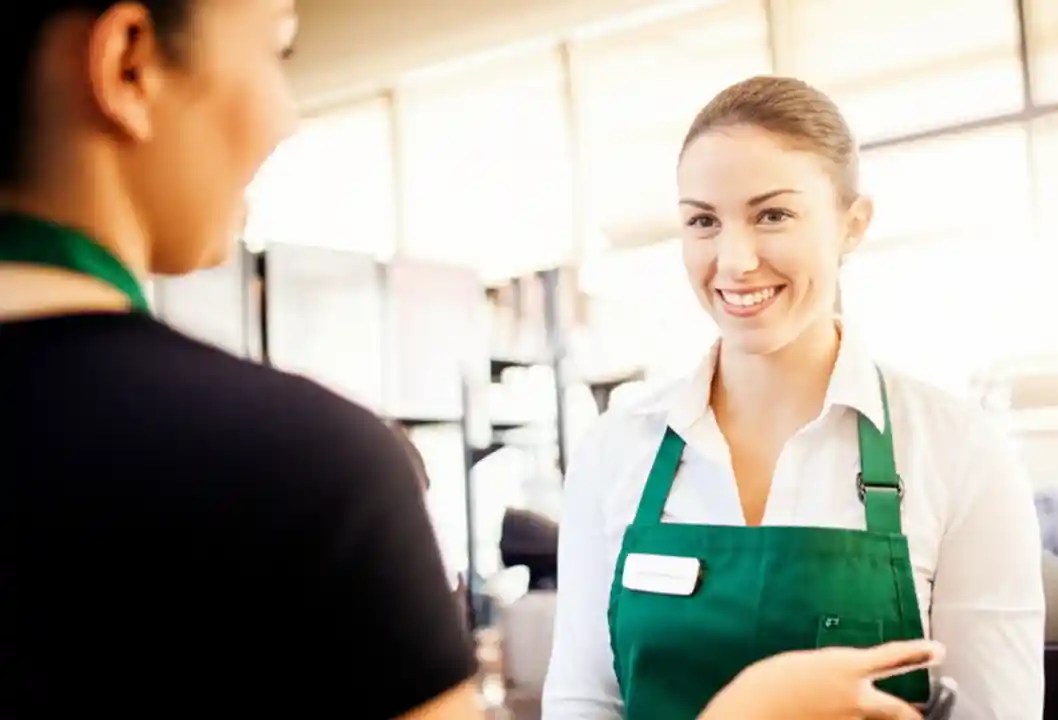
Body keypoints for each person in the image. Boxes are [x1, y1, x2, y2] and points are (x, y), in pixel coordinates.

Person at [0, 4, 946, 719]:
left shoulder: (947, 439)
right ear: (128, 63)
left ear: (852, 227)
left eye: (773, 213)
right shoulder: (303, 474)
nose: (288, 115)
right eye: (279, 46)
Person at [543, 75, 1046, 719]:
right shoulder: (615, 451)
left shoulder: (958, 450)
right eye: (703, 221)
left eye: (771, 215)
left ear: (852, 224)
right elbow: (584, 705)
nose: (734, 260)